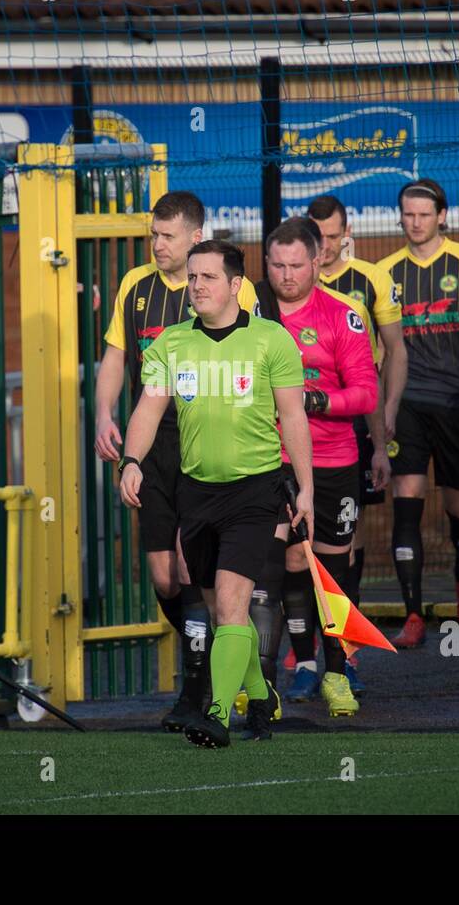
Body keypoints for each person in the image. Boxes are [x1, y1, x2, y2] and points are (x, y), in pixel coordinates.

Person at [119, 239, 312, 747]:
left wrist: (306, 489)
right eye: (193, 277)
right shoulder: (171, 344)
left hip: (255, 491)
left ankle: (219, 714)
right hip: (196, 495)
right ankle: (263, 694)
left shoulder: (273, 341)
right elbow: (147, 409)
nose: (197, 286)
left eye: (208, 277)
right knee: (222, 607)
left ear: (234, 285)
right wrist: (132, 461)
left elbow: (293, 417)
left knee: (230, 605)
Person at [95, 191, 262, 732]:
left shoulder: (232, 287)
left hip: (202, 439)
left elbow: (252, 360)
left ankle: (201, 689)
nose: (157, 244)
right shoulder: (134, 286)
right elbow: (116, 356)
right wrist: (103, 416)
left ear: (196, 236)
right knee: (165, 578)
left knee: (199, 571)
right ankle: (231, 675)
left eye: (167, 236)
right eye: (153, 235)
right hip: (150, 440)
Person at [250, 218, 377, 718]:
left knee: (330, 571)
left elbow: (366, 392)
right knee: (274, 567)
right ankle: (276, 681)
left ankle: (335, 672)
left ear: (319, 260)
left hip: (333, 462)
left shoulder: (342, 317)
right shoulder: (250, 317)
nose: (285, 275)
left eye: (296, 265)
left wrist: (317, 399)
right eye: (277, 265)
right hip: (270, 460)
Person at [376, 180, 459, 648]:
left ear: (442, 215)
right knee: (407, 498)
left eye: (423, 214)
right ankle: (414, 615)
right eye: (407, 214)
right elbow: (378, 345)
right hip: (408, 404)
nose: (415, 222)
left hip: (458, 401)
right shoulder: (385, 272)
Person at [307, 195, 402, 692]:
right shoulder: (289, 287)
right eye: (314, 235)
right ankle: (305, 650)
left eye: (330, 236)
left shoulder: (367, 281)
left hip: (355, 424)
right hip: (294, 439)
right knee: (293, 546)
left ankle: (345, 650)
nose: (322, 246)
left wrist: (382, 428)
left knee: (348, 541)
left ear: (346, 233)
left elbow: (395, 353)